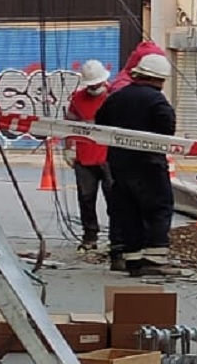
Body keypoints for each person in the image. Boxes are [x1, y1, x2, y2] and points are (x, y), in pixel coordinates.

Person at [95, 52, 177, 277]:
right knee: (159, 207)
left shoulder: (117, 97)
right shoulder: (156, 100)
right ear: (159, 78)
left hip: (119, 164)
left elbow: (100, 122)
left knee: (128, 210)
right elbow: (167, 127)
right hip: (149, 164)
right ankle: (155, 259)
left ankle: (133, 260)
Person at [63, 59, 117, 256]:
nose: (94, 87)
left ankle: (117, 239)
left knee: (114, 199)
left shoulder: (114, 96)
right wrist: (69, 147)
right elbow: (69, 124)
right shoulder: (77, 98)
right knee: (86, 198)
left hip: (109, 156)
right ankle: (90, 236)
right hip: (85, 157)